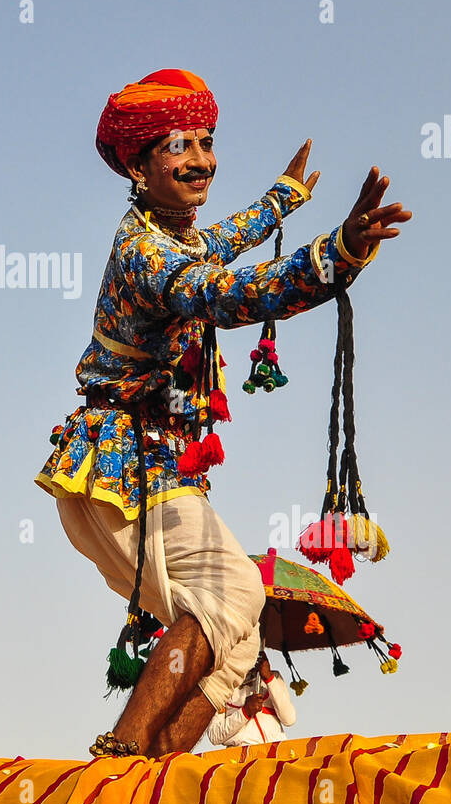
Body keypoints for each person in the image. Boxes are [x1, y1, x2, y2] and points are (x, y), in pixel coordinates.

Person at [35, 68, 411, 758]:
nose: (202, 161)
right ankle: (122, 752)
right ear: (140, 165)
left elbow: (225, 241)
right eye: (179, 147)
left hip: (139, 466)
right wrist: (340, 253)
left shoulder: (171, 235)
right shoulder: (147, 251)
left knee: (239, 621)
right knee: (233, 591)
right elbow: (226, 293)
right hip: (125, 469)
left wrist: (284, 199)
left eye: (206, 142)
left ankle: (159, 760)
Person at [207, 652, 297, 747]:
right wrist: (245, 712)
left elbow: (289, 719)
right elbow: (215, 735)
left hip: (276, 753)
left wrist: (269, 679)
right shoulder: (220, 686)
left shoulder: (274, 676)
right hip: (241, 757)